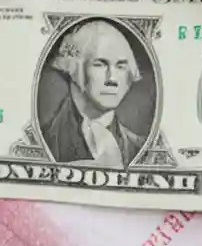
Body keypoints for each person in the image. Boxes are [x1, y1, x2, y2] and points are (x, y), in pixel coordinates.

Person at [40, 19, 147, 168]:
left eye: (121, 66)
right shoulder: (46, 142)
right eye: (100, 64)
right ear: (73, 69)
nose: (112, 79)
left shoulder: (140, 147)